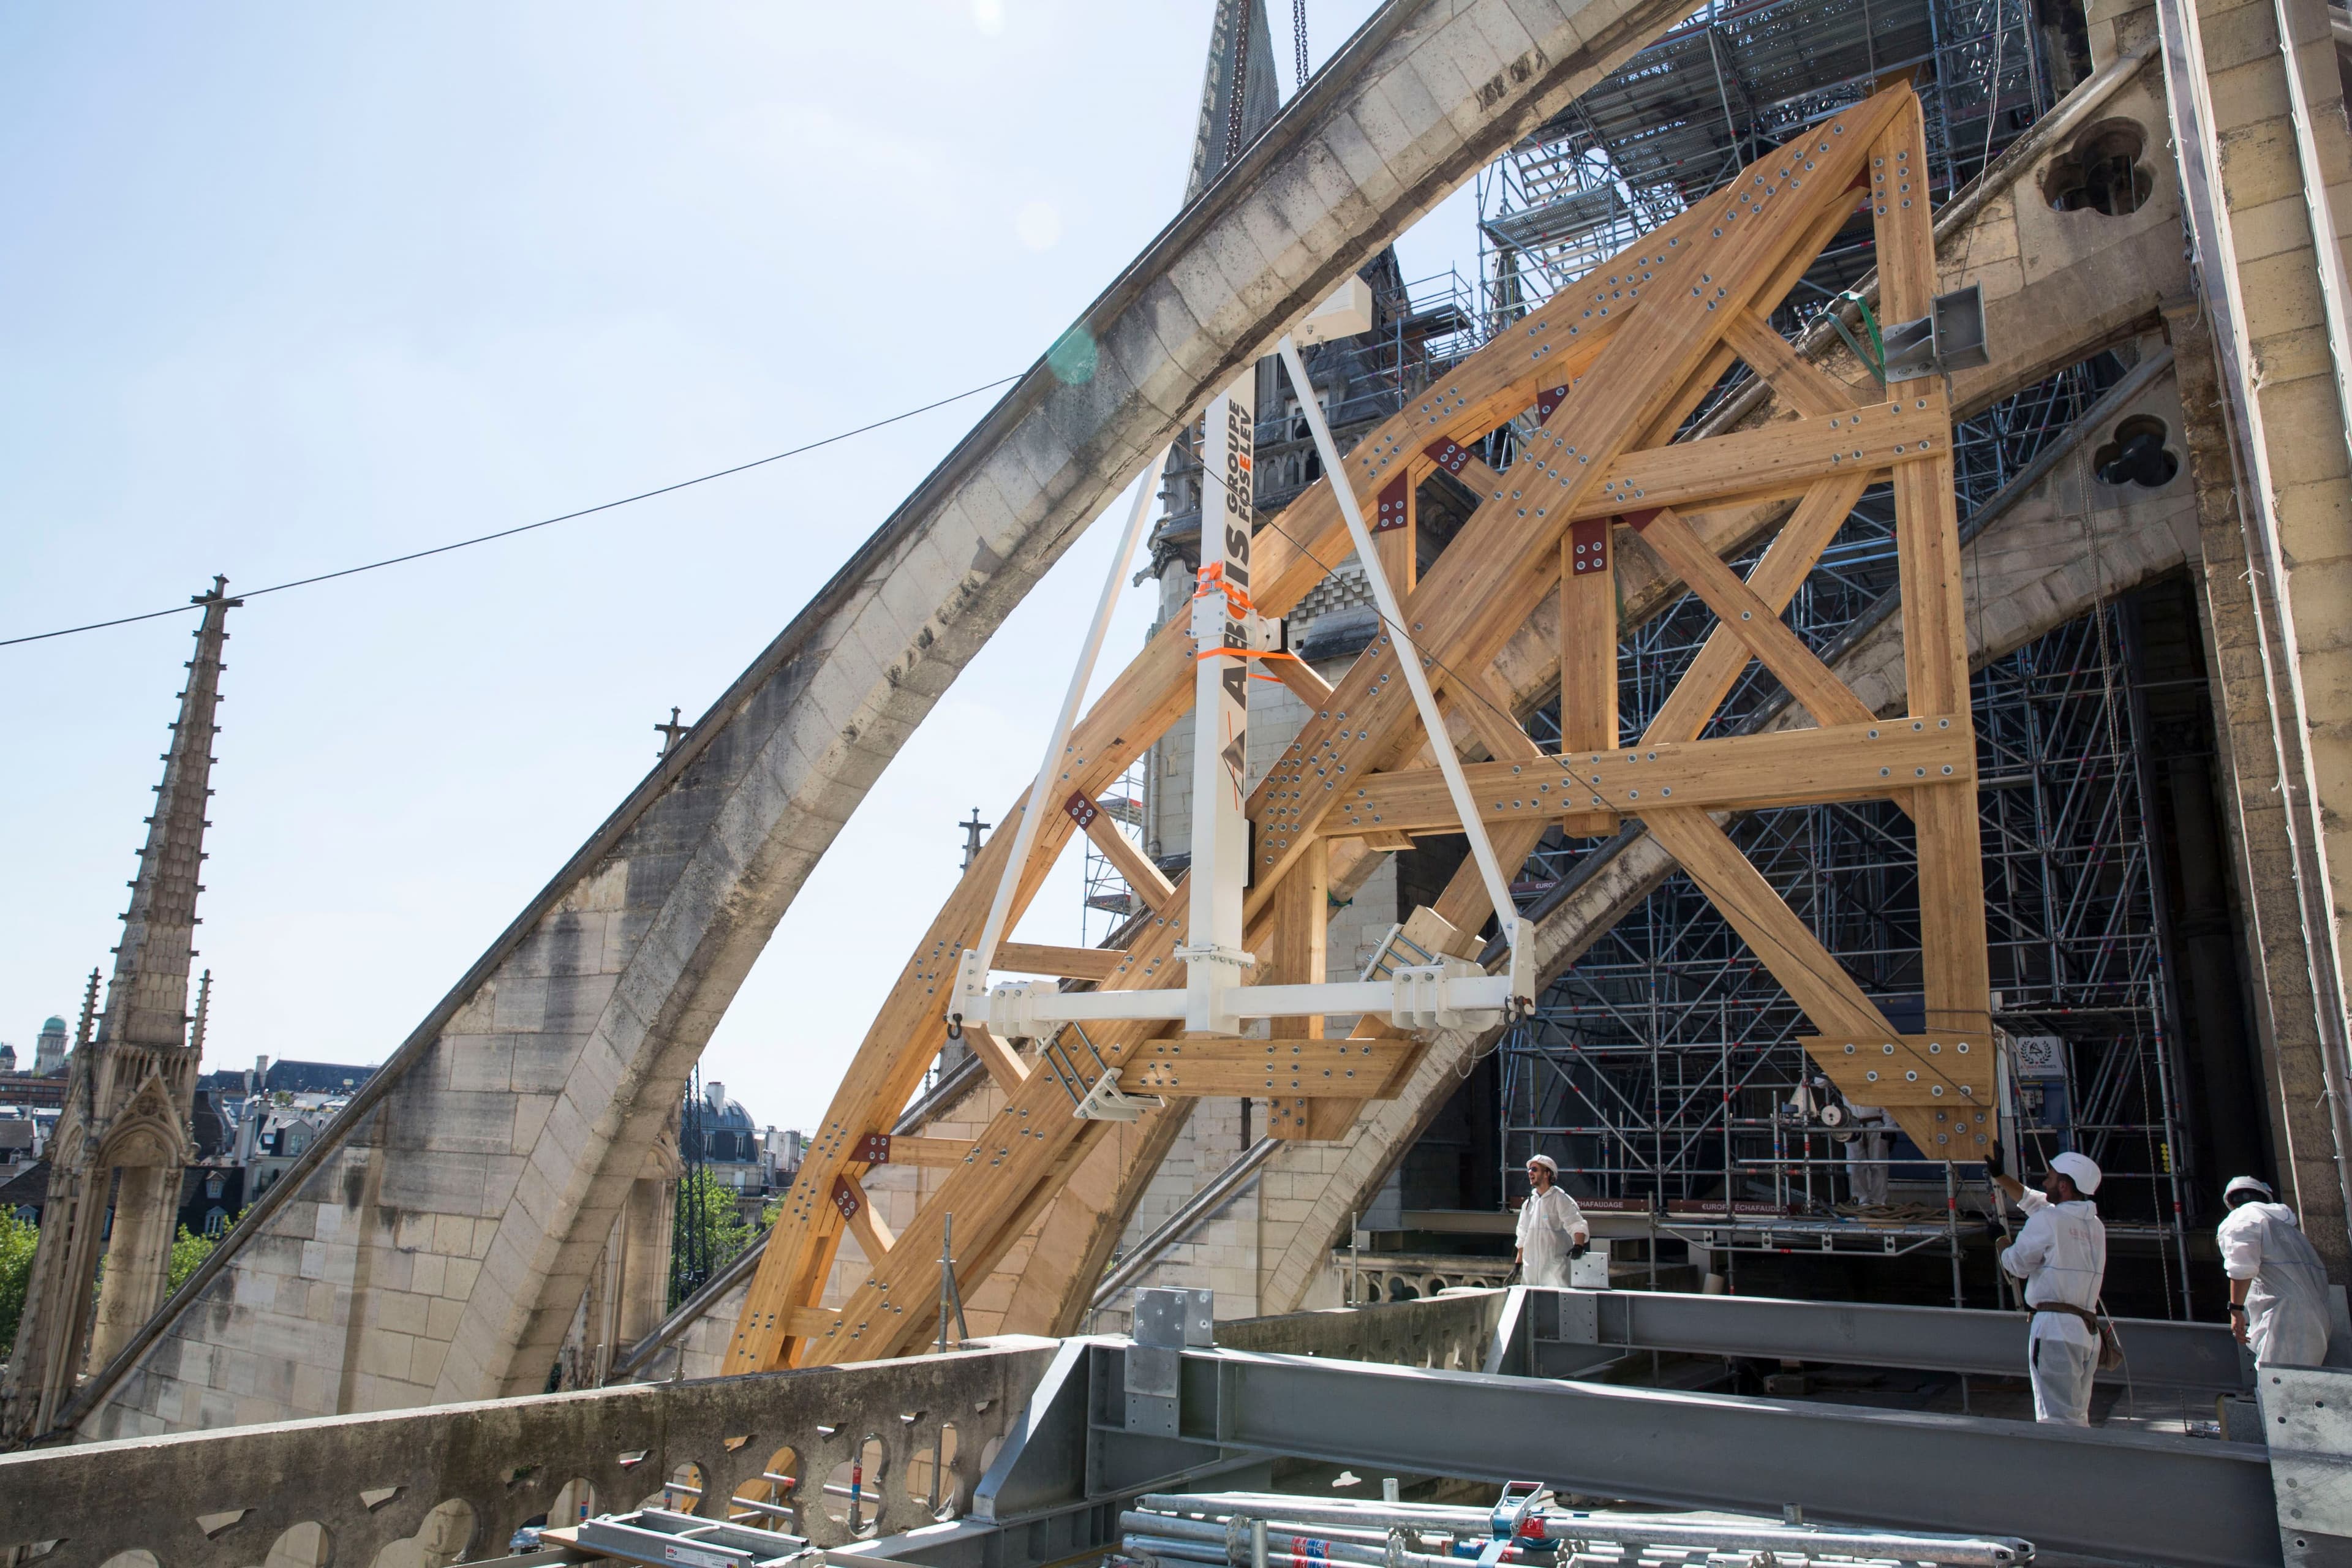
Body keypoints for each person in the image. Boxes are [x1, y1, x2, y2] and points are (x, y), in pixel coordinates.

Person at [1988, 1146, 2108, 1425]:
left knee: (2055, 1421)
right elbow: (2036, 1203)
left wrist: (2000, 1241)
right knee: (2077, 1416)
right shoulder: (2094, 1225)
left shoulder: (2050, 1220)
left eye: (2050, 1178)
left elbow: (2017, 1265)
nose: (2044, 1182)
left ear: (2064, 1187)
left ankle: (2060, 1467)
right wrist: (2001, 1177)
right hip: (2086, 1334)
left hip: (2055, 1330)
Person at [2218, 1175, 2332, 1366]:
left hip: (2281, 1317)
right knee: (2305, 1384)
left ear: (2231, 1202)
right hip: (2317, 1316)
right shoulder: (2288, 1230)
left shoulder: (2242, 1219)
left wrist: (2236, 1310)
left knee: (2277, 1384)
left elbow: (2242, 1268)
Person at [1515, 1154, 1591, 1288]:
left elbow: (1576, 1224)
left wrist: (1579, 1246)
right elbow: (1522, 1236)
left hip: (1555, 1273)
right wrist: (1518, 1264)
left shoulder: (1560, 1199)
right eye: (1529, 1170)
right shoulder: (1529, 1204)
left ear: (1547, 1174)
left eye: (1534, 1169)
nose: (1530, 1172)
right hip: (1531, 1274)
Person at [1842, 1101, 1894, 1208]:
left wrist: (1889, 1126)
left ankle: (1879, 1202)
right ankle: (1860, 1201)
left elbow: (1884, 1101)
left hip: (1876, 1123)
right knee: (1855, 1166)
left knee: (1879, 1165)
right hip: (1852, 1124)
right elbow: (1821, 1083)